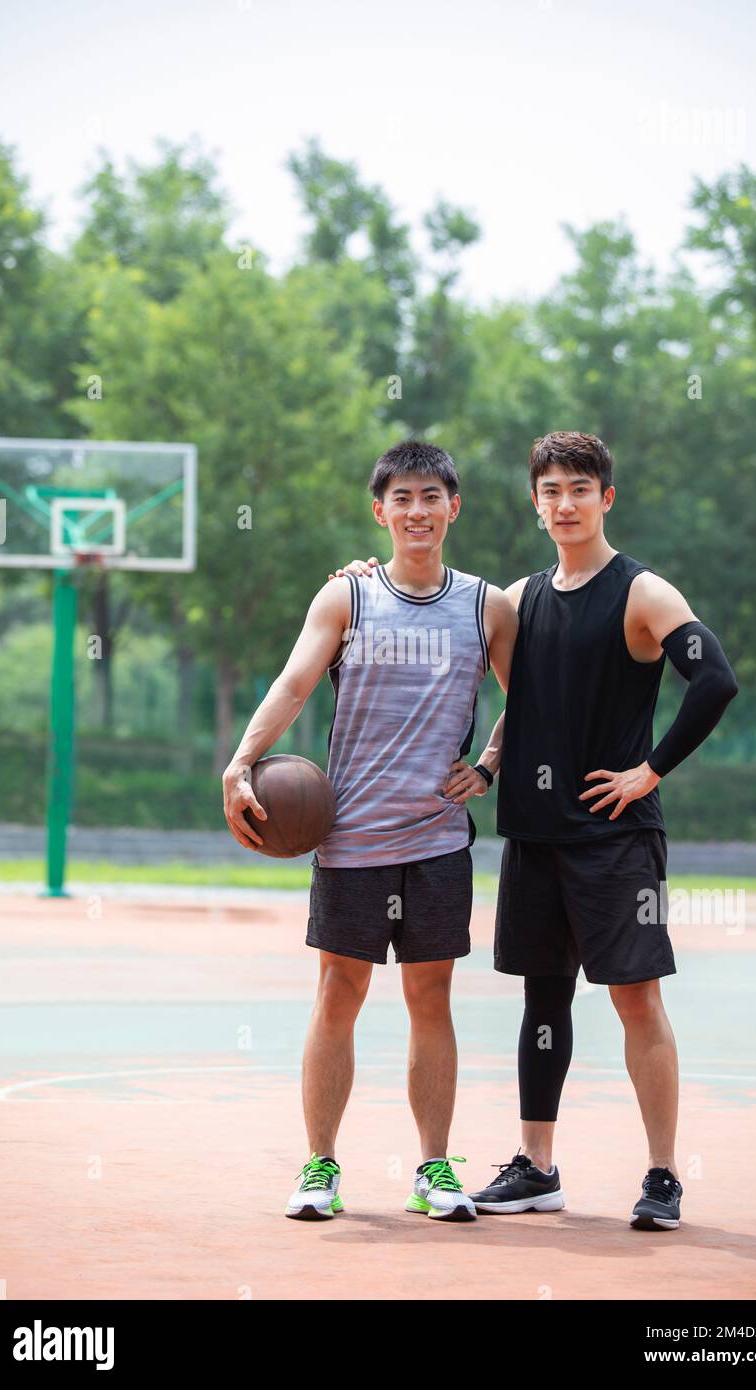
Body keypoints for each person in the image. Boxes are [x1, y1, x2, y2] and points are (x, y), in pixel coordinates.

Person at [338, 430, 738, 1231]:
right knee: (543, 999)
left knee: (635, 1001)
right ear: (534, 502)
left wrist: (649, 771)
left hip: (615, 837)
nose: (564, 503)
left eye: (579, 490)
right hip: (534, 834)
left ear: (605, 498)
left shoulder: (643, 593)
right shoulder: (516, 599)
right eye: (550, 490)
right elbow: (528, 697)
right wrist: (487, 765)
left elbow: (715, 680)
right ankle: (538, 1167)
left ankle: (662, 1175)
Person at [222, 440, 517, 1222]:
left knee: (432, 998)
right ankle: (320, 1166)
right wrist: (240, 763)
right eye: (402, 498)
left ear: (454, 508)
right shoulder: (347, 598)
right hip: (349, 838)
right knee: (338, 995)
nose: (416, 511)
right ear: (378, 510)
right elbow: (292, 683)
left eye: (431, 497)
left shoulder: (488, 606)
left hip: (436, 841)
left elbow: (530, 702)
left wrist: (486, 764)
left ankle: (432, 1171)